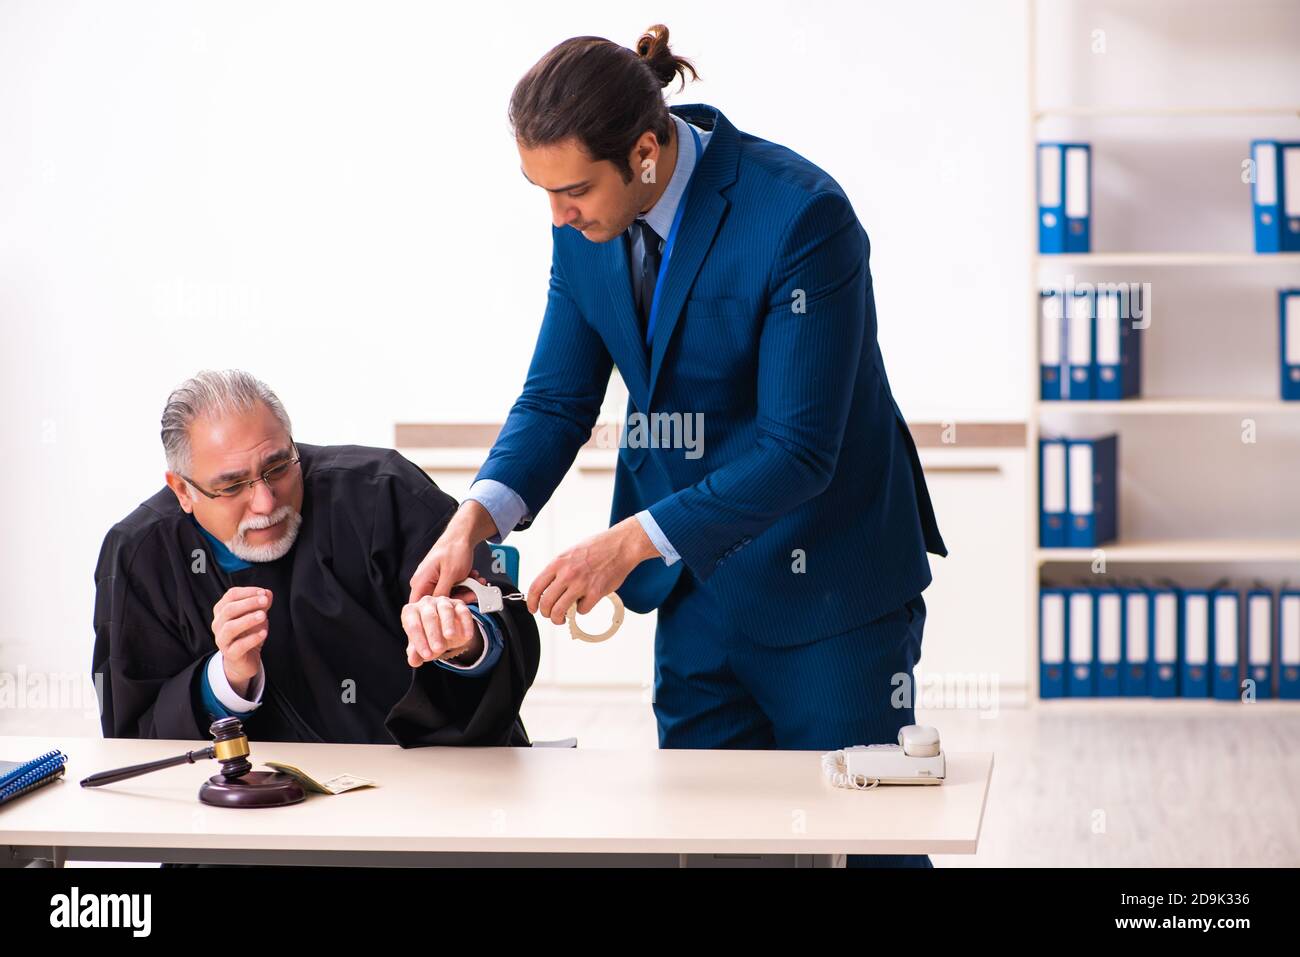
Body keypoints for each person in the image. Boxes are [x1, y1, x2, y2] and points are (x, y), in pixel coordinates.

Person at [408, 26, 948, 867]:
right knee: (714, 845)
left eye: (575, 189)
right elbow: (557, 398)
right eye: (541, 191)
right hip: (699, 588)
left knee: (869, 848)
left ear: (648, 152)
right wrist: (473, 520)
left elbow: (800, 449)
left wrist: (626, 543)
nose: (557, 214)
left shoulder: (802, 216)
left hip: (833, 591)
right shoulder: (581, 222)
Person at [93, 369, 538, 748]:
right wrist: (225, 681)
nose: (266, 503)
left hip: (430, 796)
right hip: (249, 831)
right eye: (231, 487)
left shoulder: (382, 492)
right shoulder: (139, 555)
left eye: (278, 467)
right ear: (183, 490)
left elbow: (498, 603)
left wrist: (468, 640)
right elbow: (133, 738)